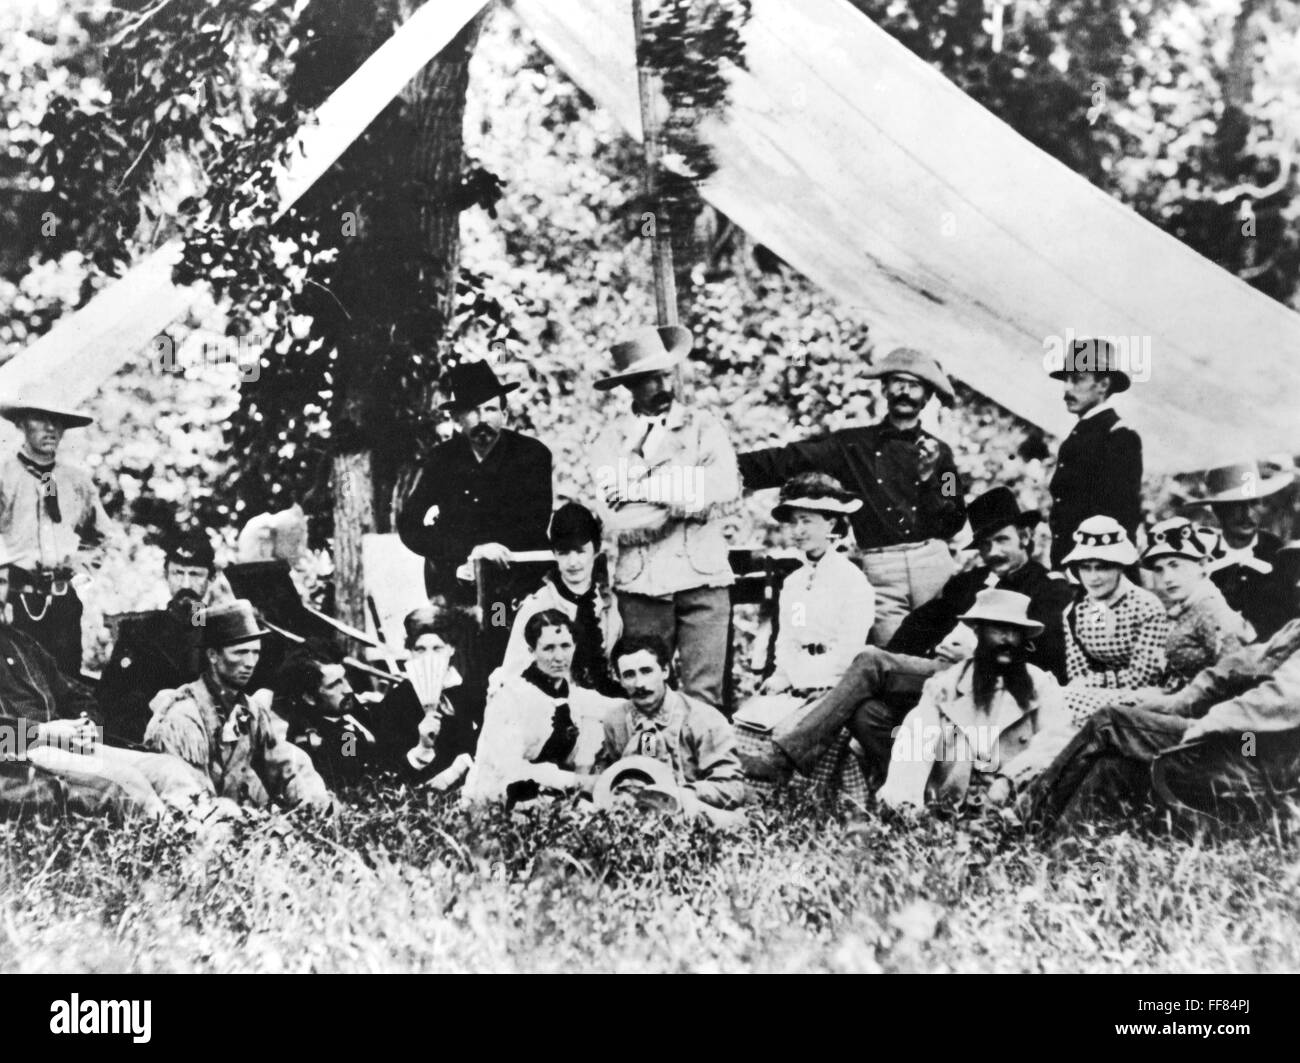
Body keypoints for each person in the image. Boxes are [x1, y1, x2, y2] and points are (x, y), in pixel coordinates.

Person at [738, 486, 1075, 788]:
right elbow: (919, 625)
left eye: (1001, 540)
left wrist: (978, 649)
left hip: (999, 680)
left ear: (1026, 537)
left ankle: (785, 756)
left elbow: (1048, 651)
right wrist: (896, 662)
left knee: (870, 660)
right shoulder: (970, 582)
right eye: (985, 545)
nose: (992, 553)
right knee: (866, 712)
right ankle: (912, 783)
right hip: (944, 676)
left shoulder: (1048, 588)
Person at [1022, 540, 1300, 833]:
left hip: (1260, 759)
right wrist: (1176, 704)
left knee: (1110, 722)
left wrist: (1208, 724)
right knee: (1112, 763)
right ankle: (1053, 842)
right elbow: (1234, 668)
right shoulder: (1294, 630)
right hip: (1241, 742)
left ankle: (1021, 817)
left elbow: (1279, 700)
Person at [738, 347, 966, 645]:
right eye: (898, 382)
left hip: (932, 566)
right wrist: (723, 467)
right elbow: (790, 459)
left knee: (945, 653)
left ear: (927, 397)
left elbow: (954, 517)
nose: (905, 391)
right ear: (884, 387)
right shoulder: (852, 446)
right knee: (892, 658)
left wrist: (929, 478)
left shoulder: (942, 457)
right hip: (882, 570)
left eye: (915, 385)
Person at [588, 326, 742, 708]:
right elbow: (615, 516)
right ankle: (649, 767)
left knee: (705, 695)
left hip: (704, 578)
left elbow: (723, 487)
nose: (659, 385)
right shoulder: (610, 440)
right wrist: (688, 494)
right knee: (643, 691)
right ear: (628, 387)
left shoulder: (704, 426)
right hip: (643, 585)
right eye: (646, 379)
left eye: (663, 374)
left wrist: (643, 488)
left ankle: (704, 768)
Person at [0, 538, 207, 819]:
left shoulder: (20, 643)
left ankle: (215, 832)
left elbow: (76, 693)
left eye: (1, 582)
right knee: (125, 780)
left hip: (61, 745)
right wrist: (45, 733)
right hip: (20, 753)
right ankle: (177, 845)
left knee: (167, 770)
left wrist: (86, 725)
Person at [878, 590, 1072, 810]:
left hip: (1015, 806)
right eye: (998, 629)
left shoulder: (1040, 685)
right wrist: (907, 803)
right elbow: (914, 750)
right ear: (978, 632)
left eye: (1015, 631)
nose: (1007, 639)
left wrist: (1009, 779)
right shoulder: (944, 686)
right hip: (951, 807)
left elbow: (1055, 742)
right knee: (914, 720)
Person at [144, 599, 333, 811]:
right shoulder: (183, 719)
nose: (250, 663)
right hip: (192, 821)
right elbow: (192, 800)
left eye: (255, 652)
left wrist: (313, 804)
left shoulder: (251, 710)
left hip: (231, 819)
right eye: (240, 653)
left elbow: (282, 765)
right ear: (213, 655)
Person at [396, 360, 553, 601]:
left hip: (517, 581)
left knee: (506, 628)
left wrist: (490, 553)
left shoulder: (532, 456)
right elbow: (409, 524)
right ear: (457, 418)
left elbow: (534, 523)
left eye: (490, 409)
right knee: (454, 633)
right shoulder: (442, 460)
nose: (482, 419)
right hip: (459, 580)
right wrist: (466, 551)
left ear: (505, 414)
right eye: (472, 411)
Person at [0, 396, 113, 674]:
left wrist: (79, 566)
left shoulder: (76, 481)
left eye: (57, 422)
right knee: (20, 689)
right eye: (40, 419)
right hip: (15, 599)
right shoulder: (4, 475)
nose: (50, 428)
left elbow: (100, 536)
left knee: (65, 682)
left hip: (62, 602)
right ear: (22, 424)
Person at [464, 611, 621, 805]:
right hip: (503, 795)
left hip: (552, 792)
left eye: (565, 646)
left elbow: (619, 708)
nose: (559, 657)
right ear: (531, 651)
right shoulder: (511, 697)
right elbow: (507, 770)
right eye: (548, 648)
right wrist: (577, 781)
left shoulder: (571, 695)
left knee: (594, 728)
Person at [586, 634, 746, 817]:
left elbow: (732, 788)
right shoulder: (615, 720)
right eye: (629, 675)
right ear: (619, 680)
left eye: (646, 671)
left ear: (665, 671)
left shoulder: (703, 719)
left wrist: (684, 794)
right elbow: (603, 775)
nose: (640, 684)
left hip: (692, 812)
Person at [97, 528, 217, 744]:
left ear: (212, 577)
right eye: (178, 573)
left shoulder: (219, 630)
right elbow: (111, 696)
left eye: (196, 574)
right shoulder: (138, 632)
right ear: (166, 575)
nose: (186, 584)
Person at [494, 502, 622, 697]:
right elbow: (513, 674)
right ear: (554, 554)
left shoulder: (607, 603)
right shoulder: (536, 606)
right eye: (563, 553)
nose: (573, 562)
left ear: (595, 552)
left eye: (580, 552)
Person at [1058, 516, 1169, 729]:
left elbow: (1142, 678)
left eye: (1102, 567)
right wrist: (1090, 685)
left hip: (1144, 699)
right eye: (1085, 567)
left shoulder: (1147, 606)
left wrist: (1095, 682)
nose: (1093, 578)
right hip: (1087, 698)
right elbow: (1077, 674)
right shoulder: (1077, 611)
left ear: (1120, 567)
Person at [1047, 339, 1143, 567]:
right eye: (1066, 379)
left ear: (1103, 384)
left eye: (1078, 379)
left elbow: (1120, 516)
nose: (1067, 388)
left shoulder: (1118, 437)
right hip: (1071, 567)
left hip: (1098, 570)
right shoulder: (1079, 435)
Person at [1183, 460, 1294, 640]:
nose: (1248, 515)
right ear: (1217, 509)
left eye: (1254, 503)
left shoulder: (1280, 555)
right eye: (1237, 505)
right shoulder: (1199, 556)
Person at [1141, 517, 1255, 690]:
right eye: (1159, 569)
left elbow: (1232, 674)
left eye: (1175, 565)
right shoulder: (1185, 607)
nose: (1167, 578)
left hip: (1199, 707)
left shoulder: (1209, 609)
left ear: (1202, 564)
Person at [371, 605, 476, 787]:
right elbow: (389, 770)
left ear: (451, 649)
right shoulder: (395, 702)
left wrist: (459, 767)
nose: (429, 657)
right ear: (410, 652)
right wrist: (422, 747)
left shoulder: (469, 693)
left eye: (437, 648)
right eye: (420, 649)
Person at [277, 651, 379, 791]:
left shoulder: (345, 709)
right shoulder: (341, 736)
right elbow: (352, 779)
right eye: (334, 685)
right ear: (309, 698)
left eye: (344, 679)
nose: (348, 689)